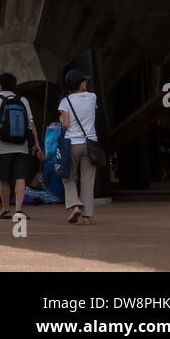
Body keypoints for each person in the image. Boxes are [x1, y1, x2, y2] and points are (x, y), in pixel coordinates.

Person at [0, 72, 43, 220]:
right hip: (21, 147)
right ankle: (19, 210)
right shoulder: (22, 100)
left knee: (3, 179)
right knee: (20, 178)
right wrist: (36, 143)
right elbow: (30, 123)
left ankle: (6, 210)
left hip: (0, 148)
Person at [59, 69, 98, 225]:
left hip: (72, 144)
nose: (86, 83)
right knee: (88, 180)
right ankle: (87, 216)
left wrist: (61, 120)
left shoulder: (65, 102)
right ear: (81, 84)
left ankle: (74, 205)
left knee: (68, 177)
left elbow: (66, 124)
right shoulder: (92, 97)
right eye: (84, 81)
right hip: (90, 144)